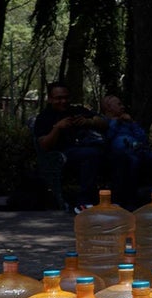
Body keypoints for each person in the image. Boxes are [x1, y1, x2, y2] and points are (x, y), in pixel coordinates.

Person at [34, 82, 108, 211]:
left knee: (120, 155)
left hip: (88, 147)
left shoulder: (77, 110)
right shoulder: (44, 117)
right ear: (50, 99)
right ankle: (84, 202)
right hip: (60, 155)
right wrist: (57, 128)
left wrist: (89, 122)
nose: (63, 101)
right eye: (58, 98)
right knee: (90, 155)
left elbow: (104, 123)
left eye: (66, 97)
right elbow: (44, 146)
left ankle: (119, 200)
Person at [101, 94, 152, 208]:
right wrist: (115, 122)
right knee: (133, 161)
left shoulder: (128, 122)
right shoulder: (103, 122)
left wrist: (132, 122)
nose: (122, 107)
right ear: (108, 107)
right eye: (119, 104)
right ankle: (130, 203)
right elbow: (107, 138)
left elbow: (143, 138)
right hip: (120, 154)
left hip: (140, 151)